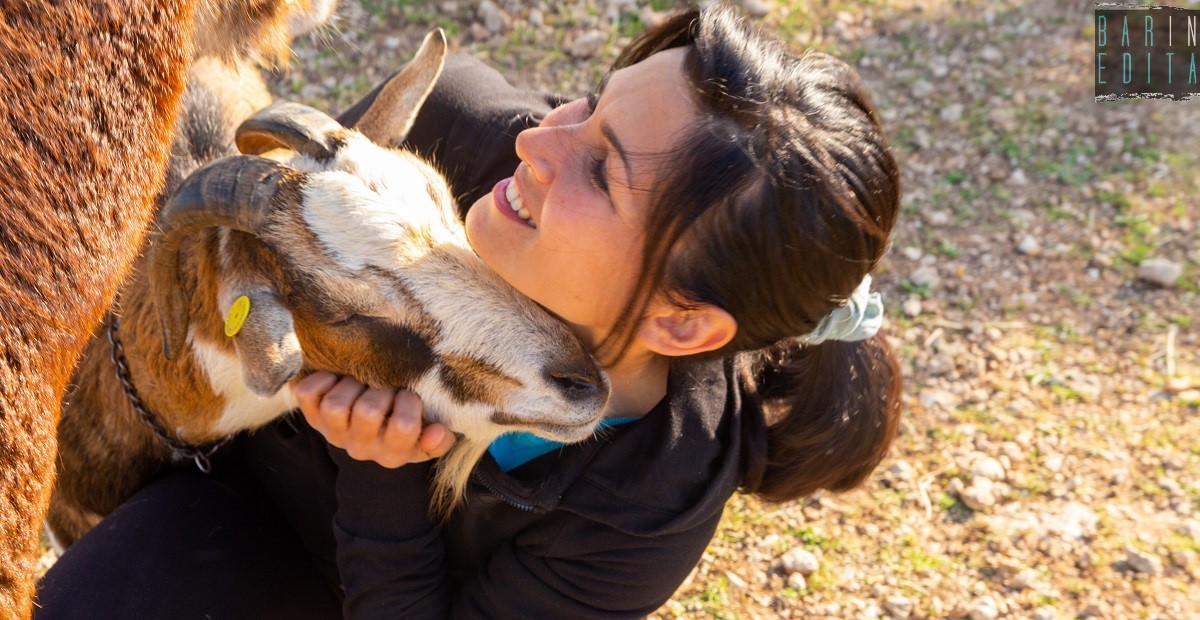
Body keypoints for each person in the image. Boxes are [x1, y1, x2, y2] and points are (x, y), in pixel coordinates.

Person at [36, 3, 901, 618]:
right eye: (591, 104)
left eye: (599, 168)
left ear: (680, 324)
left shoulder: (646, 509)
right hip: (235, 489)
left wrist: (383, 469)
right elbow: (247, 254)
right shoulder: (460, 127)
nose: (539, 139)